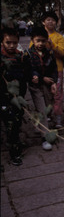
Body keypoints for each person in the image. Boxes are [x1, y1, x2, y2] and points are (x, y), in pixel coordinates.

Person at [1, 28, 30, 165]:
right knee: (9, 122)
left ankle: (15, 141)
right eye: (8, 43)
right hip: (4, 96)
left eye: (14, 43)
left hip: (18, 96)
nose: (11, 46)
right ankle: (14, 152)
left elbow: (27, 74)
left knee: (16, 121)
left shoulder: (21, 56)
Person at [28, 27, 58, 151]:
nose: (40, 44)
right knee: (41, 109)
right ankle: (45, 137)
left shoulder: (49, 53)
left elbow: (54, 69)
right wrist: (40, 78)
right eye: (37, 41)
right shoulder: (28, 54)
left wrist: (54, 82)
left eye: (43, 41)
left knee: (48, 107)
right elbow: (28, 71)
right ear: (32, 41)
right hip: (35, 86)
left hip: (47, 84)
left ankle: (41, 124)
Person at [36, 11, 64, 129]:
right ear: (43, 22)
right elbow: (31, 52)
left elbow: (62, 53)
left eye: (53, 20)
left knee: (57, 94)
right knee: (44, 94)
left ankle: (58, 117)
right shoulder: (38, 36)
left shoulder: (59, 37)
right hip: (42, 71)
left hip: (57, 69)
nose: (50, 22)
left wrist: (52, 45)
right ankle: (46, 116)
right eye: (48, 19)